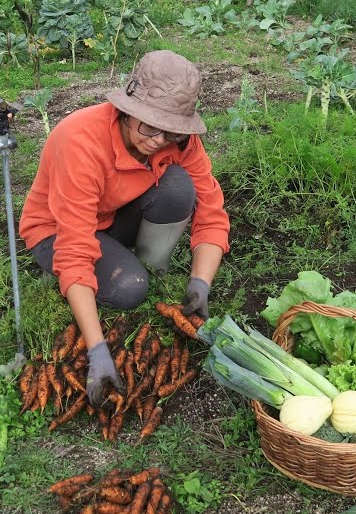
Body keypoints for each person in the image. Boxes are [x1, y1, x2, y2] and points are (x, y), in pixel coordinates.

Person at [19, 50, 230, 408]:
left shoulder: (180, 140)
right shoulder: (81, 141)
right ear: (128, 110)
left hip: (112, 215)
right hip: (56, 229)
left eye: (171, 131)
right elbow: (74, 247)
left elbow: (210, 211)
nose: (159, 139)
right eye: (149, 125)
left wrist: (200, 283)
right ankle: (99, 277)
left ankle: (145, 264)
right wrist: (98, 349)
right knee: (130, 289)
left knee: (178, 188)